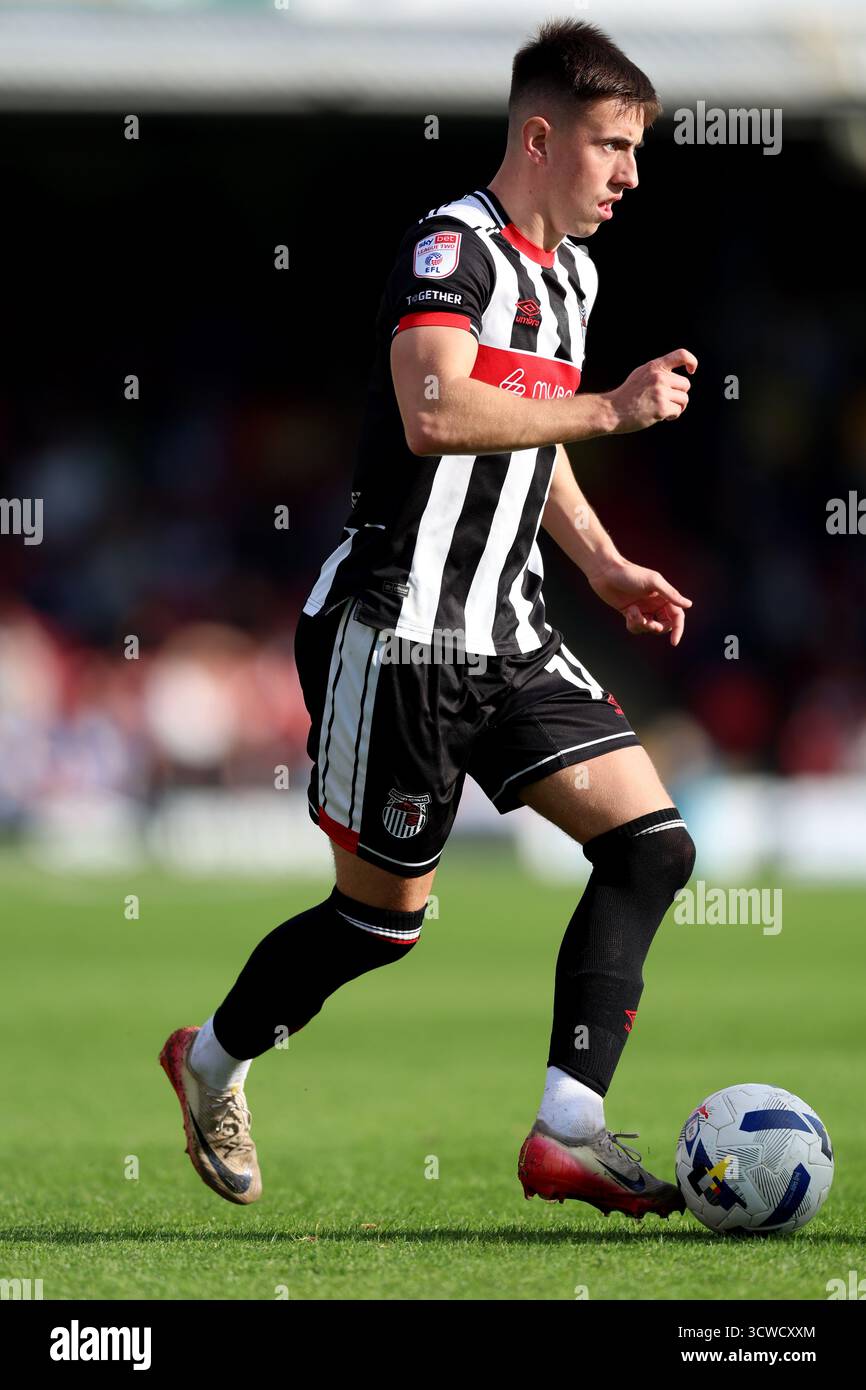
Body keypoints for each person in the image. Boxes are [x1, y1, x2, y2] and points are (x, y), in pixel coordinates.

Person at [160, 17, 698, 1221]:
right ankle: (209, 1061)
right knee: (377, 923)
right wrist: (609, 412)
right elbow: (437, 412)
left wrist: (603, 561)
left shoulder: (574, 274)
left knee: (653, 845)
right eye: (611, 146)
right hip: (399, 633)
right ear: (540, 136)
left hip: (509, 628)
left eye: (634, 150)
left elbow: (534, 425)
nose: (628, 174)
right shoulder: (451, 246)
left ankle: (566, 1128)